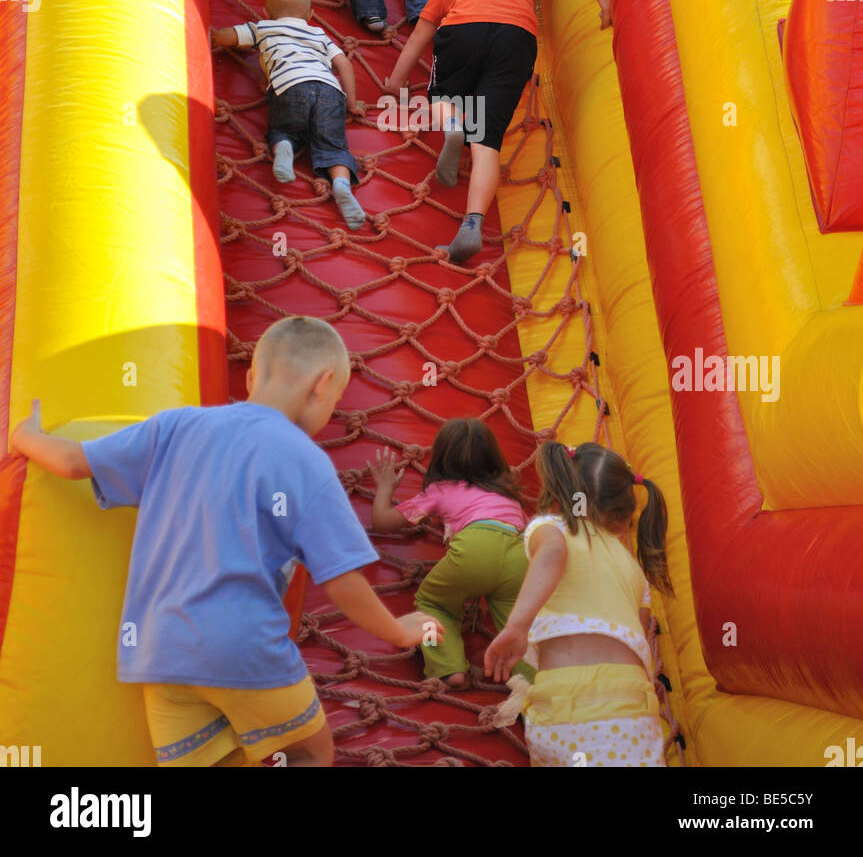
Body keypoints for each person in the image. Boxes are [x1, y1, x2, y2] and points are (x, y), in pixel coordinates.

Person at [9, 317, 443, 768]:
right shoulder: (305, 460)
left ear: (252, 376)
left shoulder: (174, 427)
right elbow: (341, 580)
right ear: (323, 384)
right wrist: (398, 630)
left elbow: (75, 462)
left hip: (160, 657)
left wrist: (27, 436)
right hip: (245, 653)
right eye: (334, 403)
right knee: (308, 754)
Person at [384, 0, 611, 263]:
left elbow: (421, 35)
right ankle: (472, 221)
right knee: (486, 141)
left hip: (463, 30)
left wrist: (394, 84)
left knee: (441, 94)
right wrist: (607, 2)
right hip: (516, 39)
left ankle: (451, 125)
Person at [485, 441, 672, 768]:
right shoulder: (636, 572)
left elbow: (553, 554)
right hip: (632, 709)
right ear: (624, 516)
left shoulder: (551, 528)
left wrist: (517, 626)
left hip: (564, 705)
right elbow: (638, 638)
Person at [368, 419, 529, 688]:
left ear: (441, 458)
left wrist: (385, 488)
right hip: (520, 553)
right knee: (516, 619)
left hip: (476, 549)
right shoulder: (507, 490)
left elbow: (382, 522)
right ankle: (530, 676)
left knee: (433, 604)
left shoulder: (440, 490)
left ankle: (446, 666)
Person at [212, 0, 366, 230]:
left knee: (284, 128)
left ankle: (284, 147)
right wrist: (353, 104)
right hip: (329, 91)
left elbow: (226, 37)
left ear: (266, 11)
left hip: (290, 85)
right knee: (334, 146)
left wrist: (220, 36)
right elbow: (344, 64)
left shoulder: (264, 27)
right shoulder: (318, 33)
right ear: (310, 14)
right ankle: (340, 183)